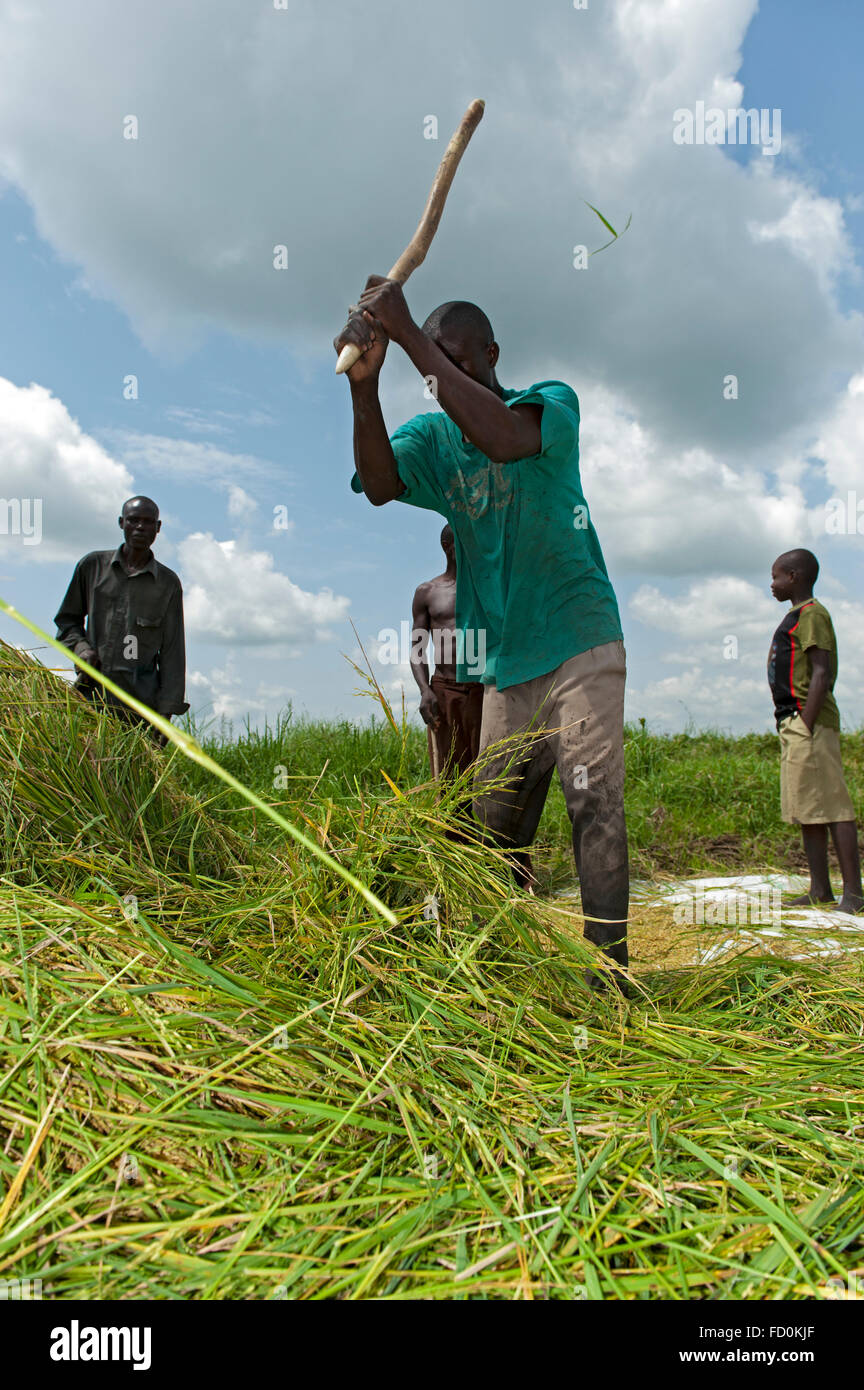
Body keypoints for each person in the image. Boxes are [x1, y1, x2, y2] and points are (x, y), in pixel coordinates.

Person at [336, 279, 628, 990]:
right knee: (492, 827)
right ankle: (499, 971)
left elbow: (500, 438)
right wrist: (365, 389)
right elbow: (377, 484)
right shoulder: (436, 439)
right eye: (435, 359)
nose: (441, 371)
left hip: (578, 639)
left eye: (455, 357)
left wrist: (408, 336)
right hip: (503, 661)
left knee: (592, 801)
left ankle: (610, 974)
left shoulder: (548, 404)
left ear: (492, 354)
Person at [768, 548, 862, 913]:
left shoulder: (813, 614)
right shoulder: (795, 616)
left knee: (834, 806)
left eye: (776, 576)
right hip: (794, 722)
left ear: (794, 576)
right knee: (808, 807)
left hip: (813, 724)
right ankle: (820, 888)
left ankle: (853, 893)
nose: (772, 584)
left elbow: (821, 671)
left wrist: (806, 723)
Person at [55, 496, 189, 735]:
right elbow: (67, 621)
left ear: (158, 528)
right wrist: (82, 649)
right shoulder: (92, 566)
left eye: (148, 522)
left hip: (139, 710)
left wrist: (165, 715)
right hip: (90, 700)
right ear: (121, 523)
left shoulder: (168, 584)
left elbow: (173, 652)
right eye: (133, 520)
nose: (140, 527)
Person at [411, 523, 484, 778]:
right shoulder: (427, 592)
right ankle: (451, 820)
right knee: (450, 778)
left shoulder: (485, 588)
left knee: (487, 774)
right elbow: (417, 648)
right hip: (445, 691)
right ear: (449, 548)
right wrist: (425, 691)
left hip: (483, 688)